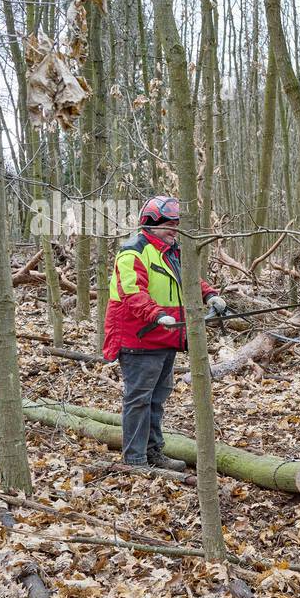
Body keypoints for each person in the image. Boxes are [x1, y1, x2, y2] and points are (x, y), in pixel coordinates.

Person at [102, 196, 227, 467]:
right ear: (150, 223)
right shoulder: (132, 251)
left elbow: (191, 279)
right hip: (139, 338)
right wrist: (158, 315)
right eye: (169, 224)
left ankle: (153, 452)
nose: (174, 228)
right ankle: (134, 460)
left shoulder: (173, 251)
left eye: (176, 223)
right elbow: (133, 293)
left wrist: (211, 296)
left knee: (158, 399)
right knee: (139, 400)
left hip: (166, 337)